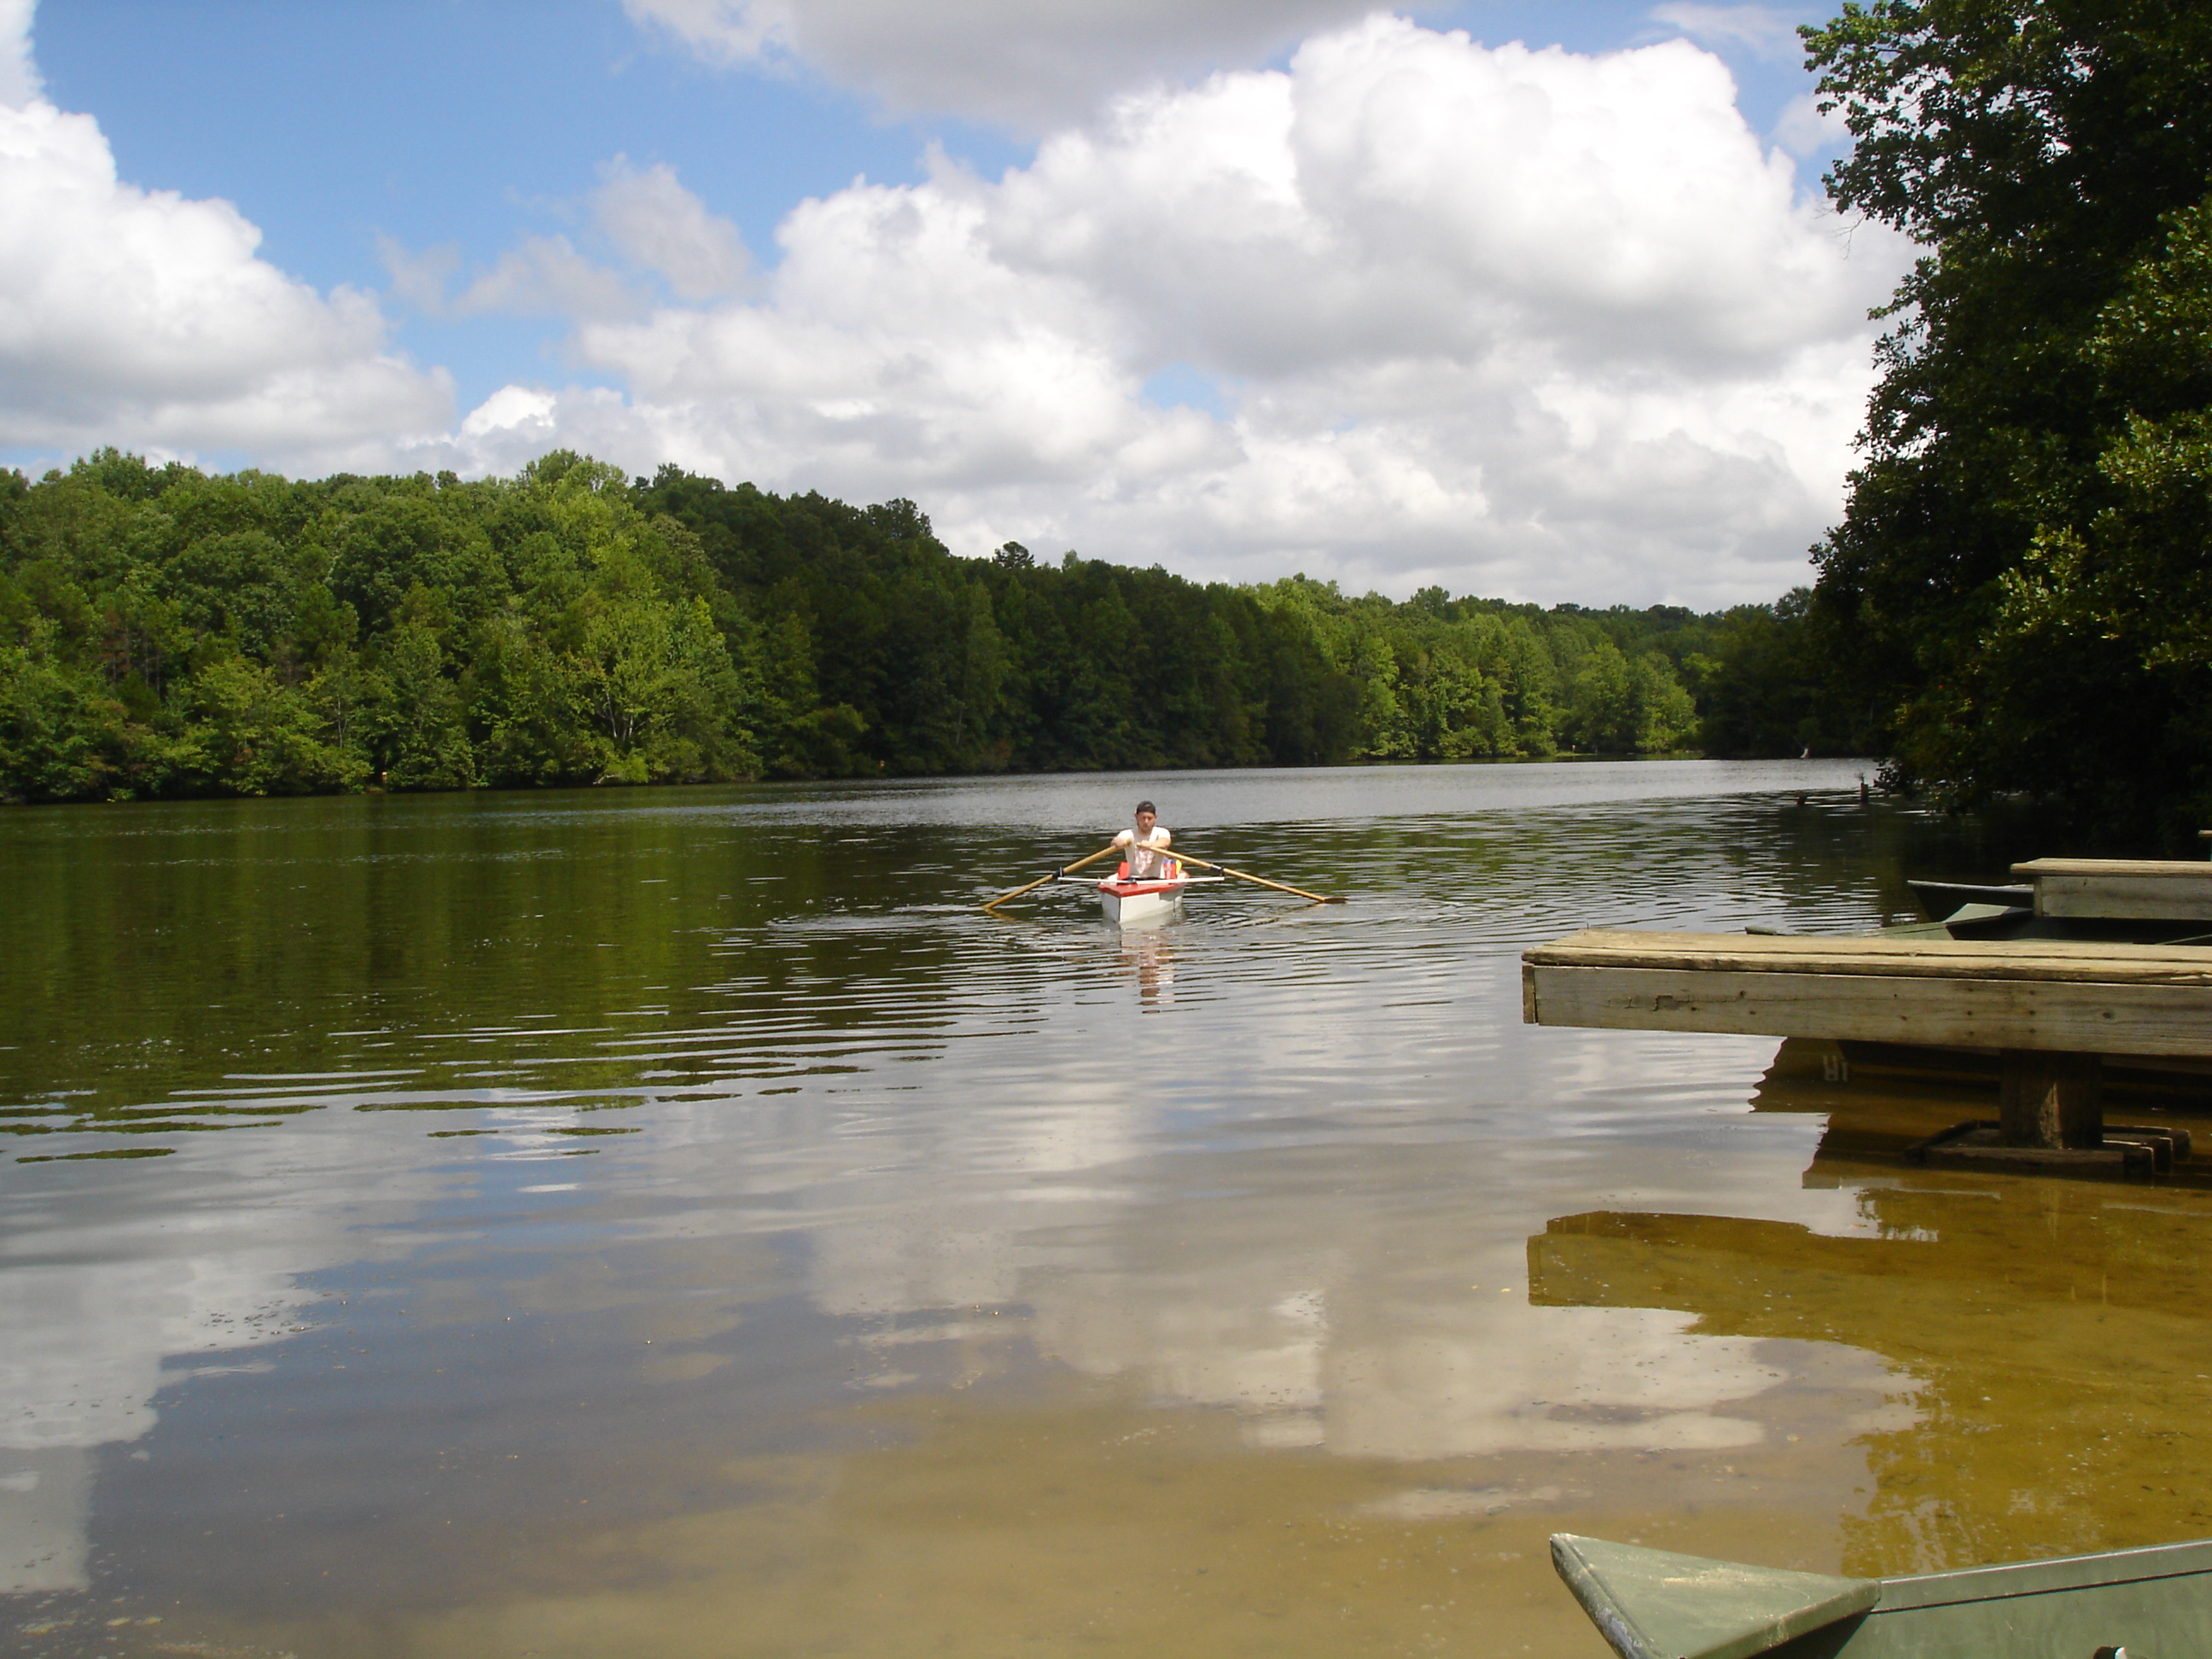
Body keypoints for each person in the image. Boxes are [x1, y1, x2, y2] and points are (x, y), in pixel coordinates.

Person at [1112, 800, 1173, 881]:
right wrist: (1117, 842)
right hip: (1134, 879)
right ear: (1136, 817)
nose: (1146, 822)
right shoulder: (1128, 833)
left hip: (1157, 879)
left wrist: (1151, 845)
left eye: (1149, 818)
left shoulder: (1162, 832)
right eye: (1143, 818)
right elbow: (1117, 840)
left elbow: (1165, 842)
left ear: (1155, 818)